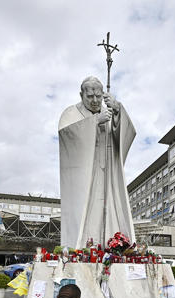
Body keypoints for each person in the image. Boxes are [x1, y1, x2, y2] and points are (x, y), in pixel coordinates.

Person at [58, 76, 136, 248]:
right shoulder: (71, 113)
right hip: (86, 175)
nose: (94, 101)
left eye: (98, 96)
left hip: (107, 173)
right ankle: (84, 248)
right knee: (88, 212)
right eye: (90, 96)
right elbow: (67, 135)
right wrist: (95, 122)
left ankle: (112, 245)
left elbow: (125, 136)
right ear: (81, 94)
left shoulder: (108, 111)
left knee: (110, 211)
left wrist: (117, 112)